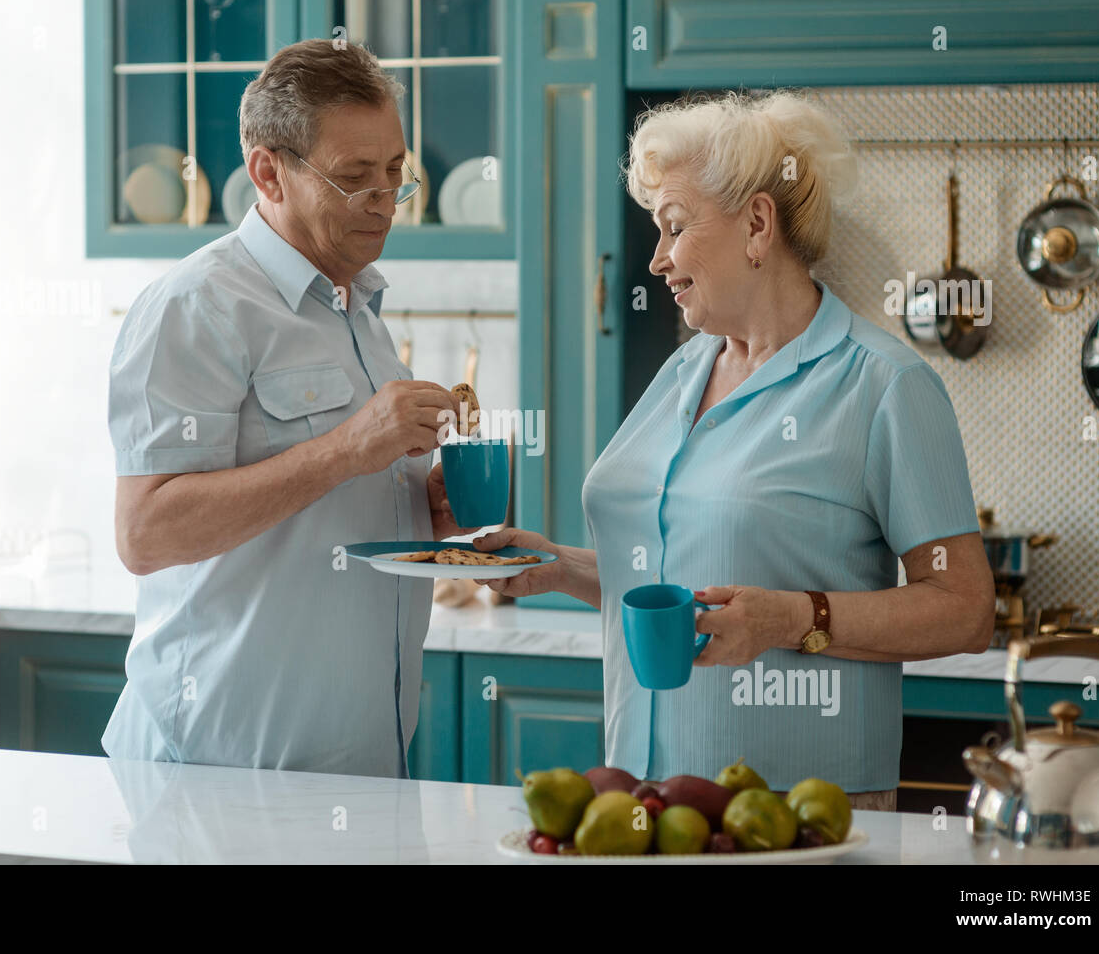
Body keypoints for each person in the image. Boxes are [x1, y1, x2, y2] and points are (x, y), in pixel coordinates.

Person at [474, 91, 994, 810]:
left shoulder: (883, 385)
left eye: (676, 228)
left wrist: (794, 618)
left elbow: (965, 608)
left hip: (796, 816)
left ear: (757, 224)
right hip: (643, 799)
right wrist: (560, 568)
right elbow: (682, 578)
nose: (657, 260)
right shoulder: (682, 372)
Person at [103, 39, 469, 777]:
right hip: (220, 773)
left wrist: (417, 509)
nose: (383, 200)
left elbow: (320, 510)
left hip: (357, 768)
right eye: (353, 178)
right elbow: (146, 532)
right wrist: (349, 449)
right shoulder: (195, 307)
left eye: (395, 172)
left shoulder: (358, 307)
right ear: (268, 171)